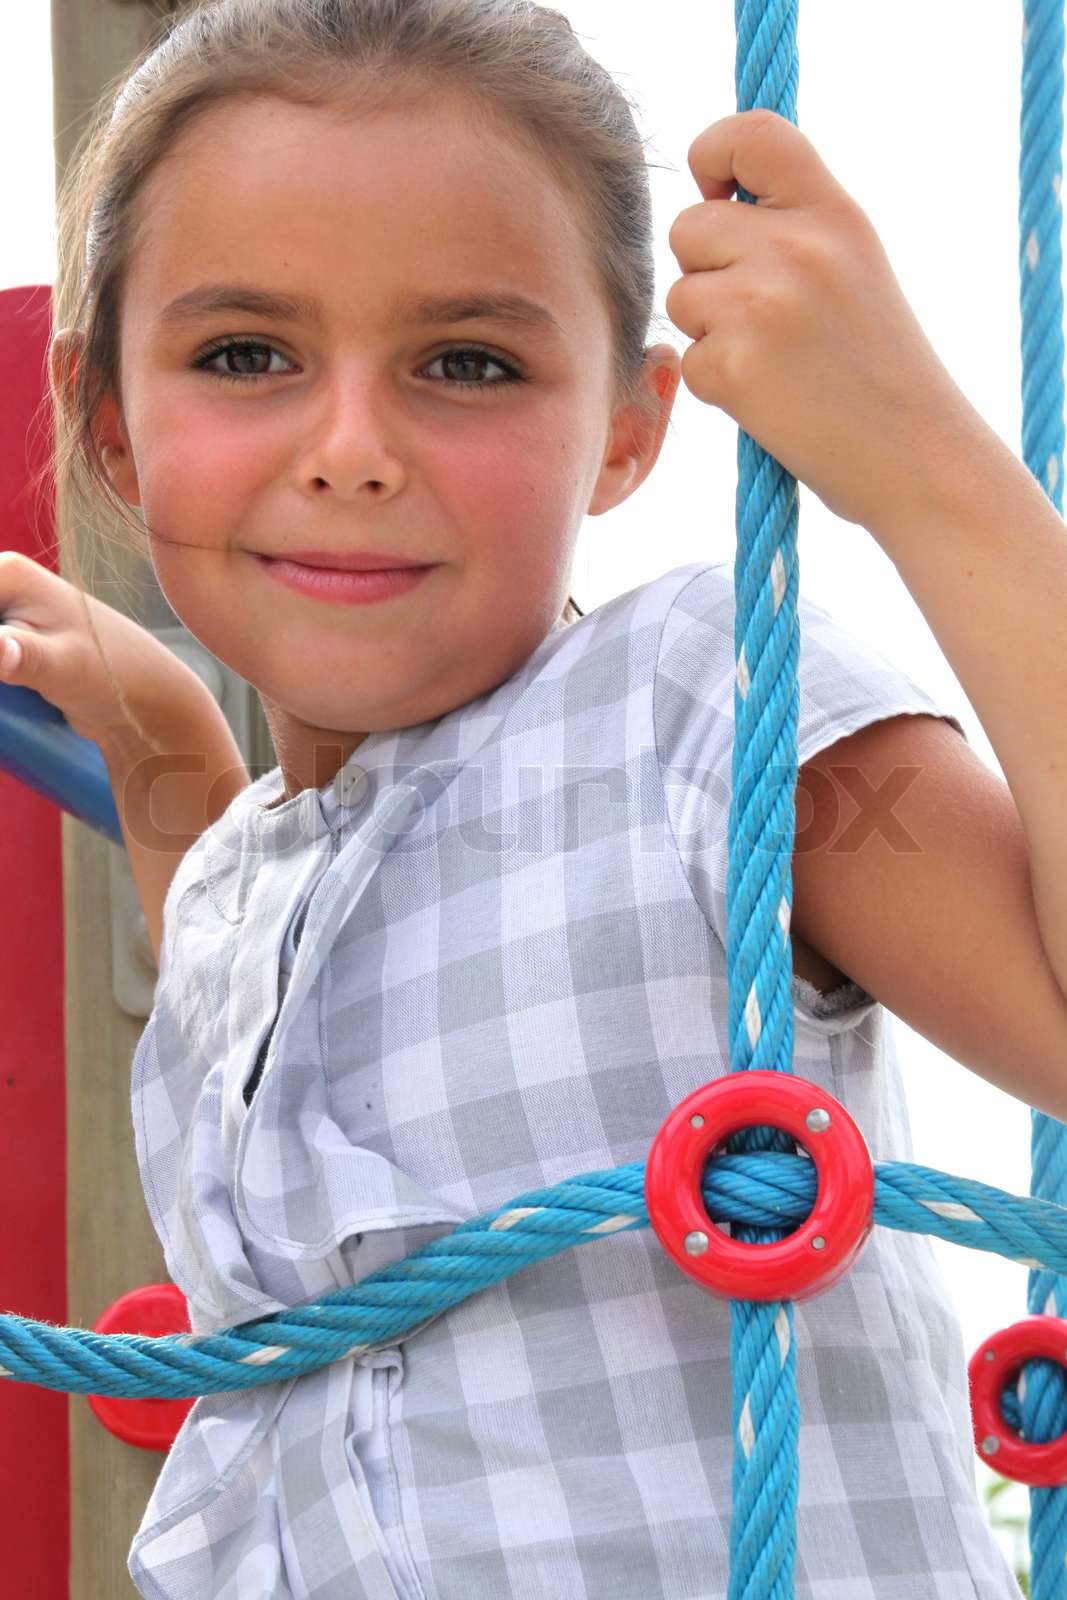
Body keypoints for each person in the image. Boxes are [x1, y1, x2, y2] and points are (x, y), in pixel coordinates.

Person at [5, 0, 1061, 1593]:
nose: (351, 447)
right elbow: (259, 972)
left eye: (467, 362)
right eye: (246, 355)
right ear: (111, 427)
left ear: (630, 423)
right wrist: (150, 713)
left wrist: (926, 468)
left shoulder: (694, 700)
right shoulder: (246, 885)